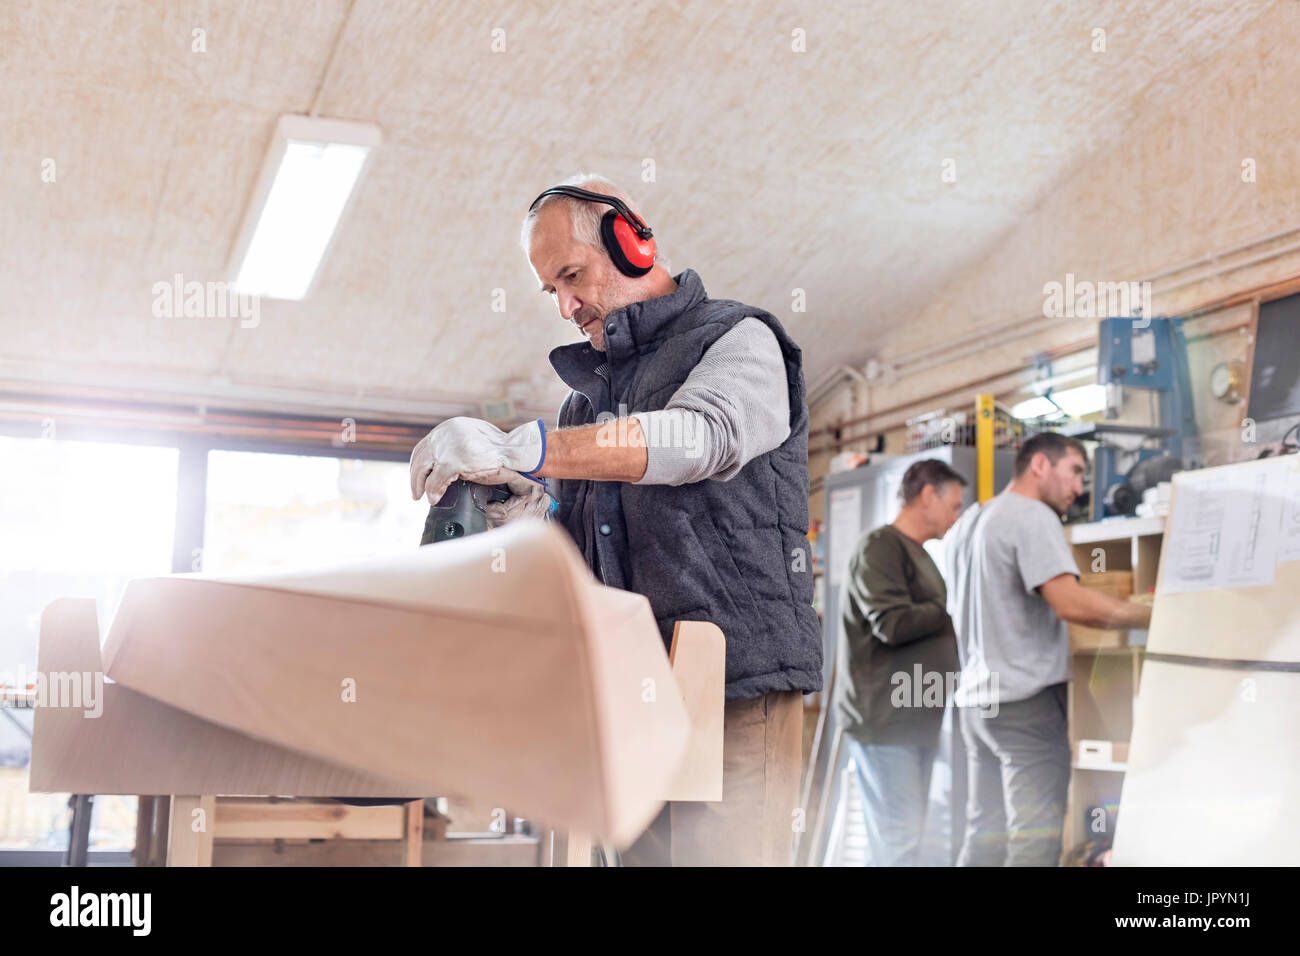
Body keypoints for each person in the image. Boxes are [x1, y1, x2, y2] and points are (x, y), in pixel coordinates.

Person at [407, 173, 822, 865]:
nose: (567, 305)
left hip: (735, 689)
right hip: (631, 698)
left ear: (631, 242)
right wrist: (525, 507)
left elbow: (698, 438)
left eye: (573, 275)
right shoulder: (586, 404)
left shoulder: (739, 339)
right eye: (552, 291)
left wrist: (526, 447)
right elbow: (580, 551)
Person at [944, 432, 1152, 866]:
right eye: (1075, 470)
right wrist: (1149, 612)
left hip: (977, 707)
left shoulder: (967, 522)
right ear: (1039, 464)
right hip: (1025, 705)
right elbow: (1070, 603)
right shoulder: (1032, 517)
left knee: (984, 834)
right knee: (1033, 842)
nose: (1079, 487)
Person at [834, 458, 966, 865]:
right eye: (954, 505)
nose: (956, 516)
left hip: (915, 723)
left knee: (905, 843)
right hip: (886, 725)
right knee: (899, 844)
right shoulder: (881, 547)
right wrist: (948, 611)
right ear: (928, 496)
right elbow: (890, 623)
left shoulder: (919, 553)